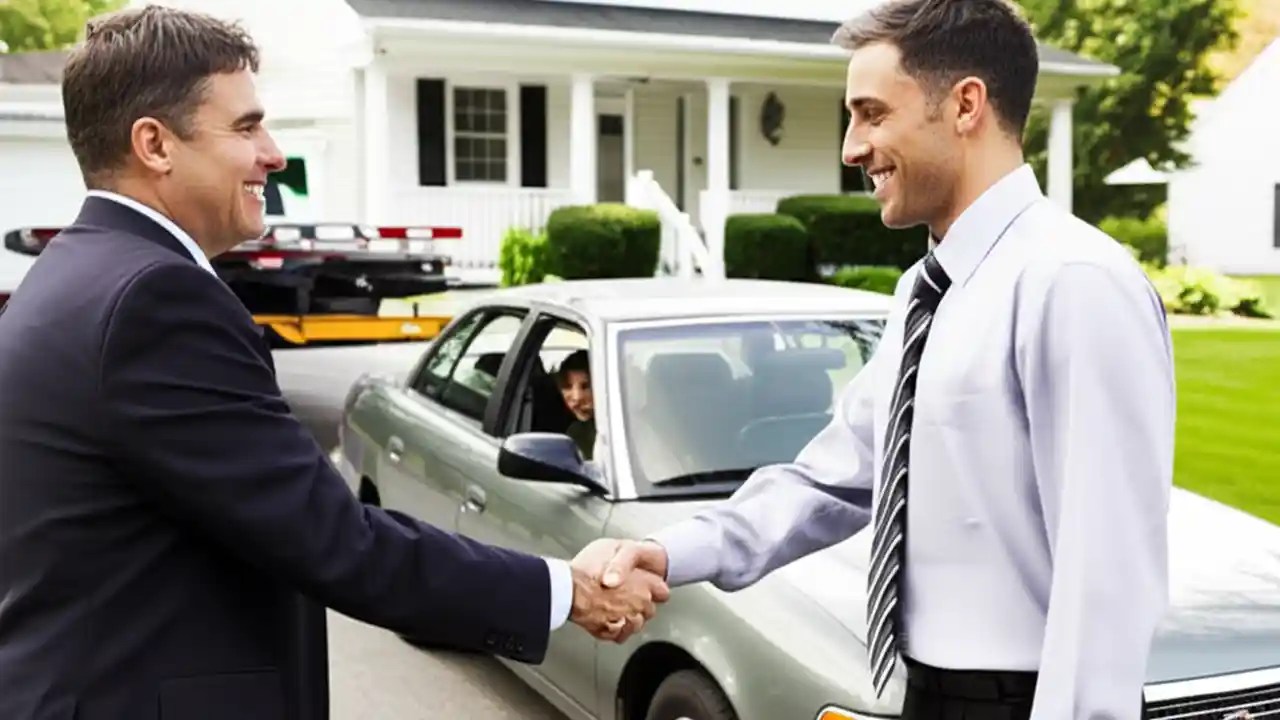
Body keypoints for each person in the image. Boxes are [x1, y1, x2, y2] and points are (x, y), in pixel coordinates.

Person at [0, 7, 666, 720]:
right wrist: (564, 590)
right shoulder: (155, 301)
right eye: (247, 126)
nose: (274, 153)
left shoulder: (67, 275)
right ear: (155, 144)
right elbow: (332, 537)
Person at [581, 0, 1175, 717]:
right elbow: (829, 480)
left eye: (871, 114)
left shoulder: (1073, 281)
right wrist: (669, 553)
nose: (850, 149)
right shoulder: (924, 293)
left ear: (964, 105)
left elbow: (1106, 572)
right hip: (924, 695)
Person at [556, 349, 597, 459]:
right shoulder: (577, 432)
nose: (577, 397)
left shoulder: (631, 426)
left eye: (586, 386)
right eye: (567, 386)